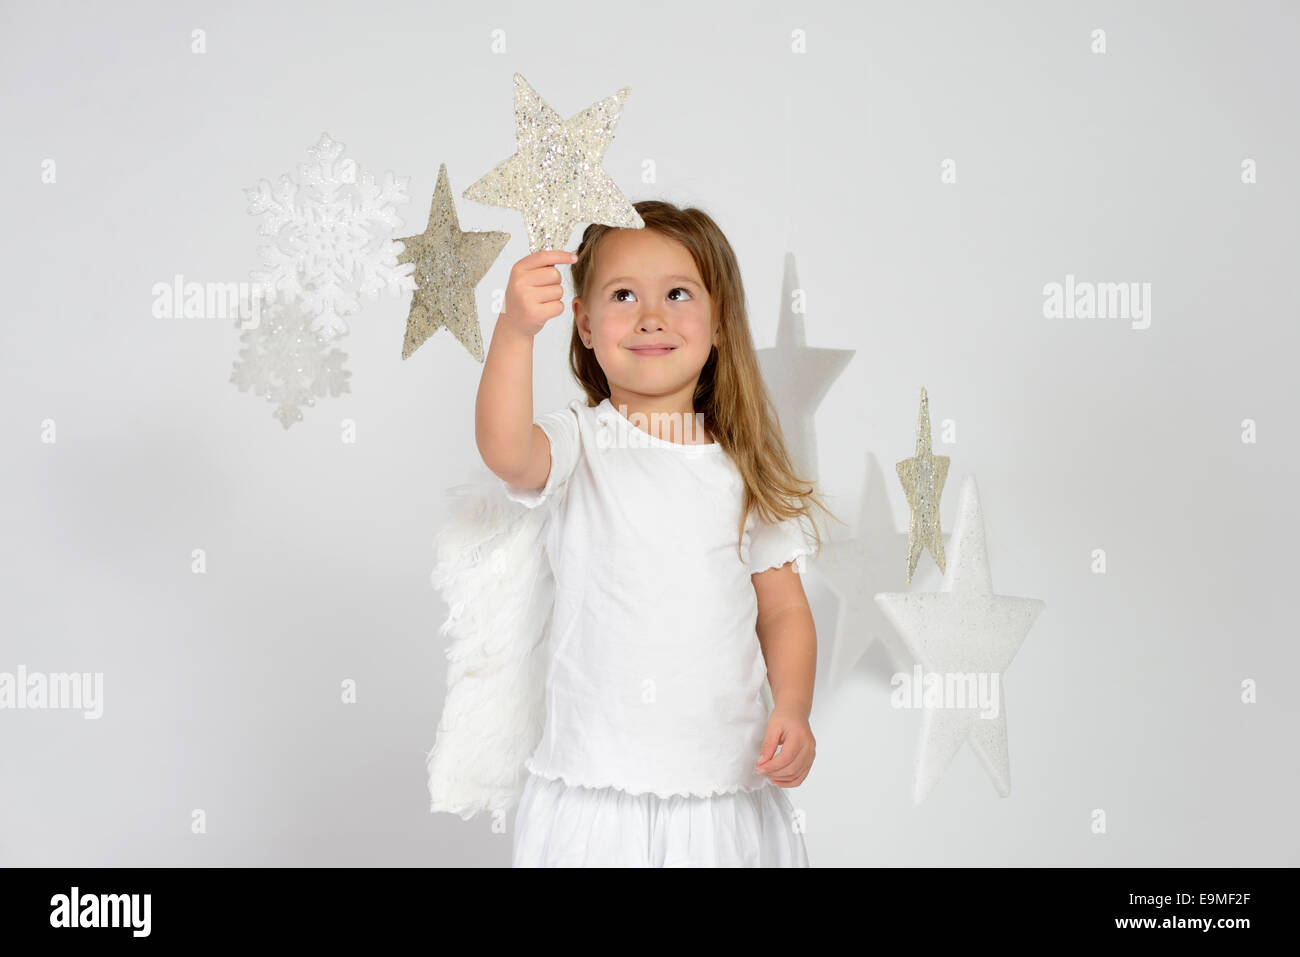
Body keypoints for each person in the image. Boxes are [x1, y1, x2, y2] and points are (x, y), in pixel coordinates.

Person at [475, 200, 835, 867]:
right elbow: (505, 451)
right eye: (621, 295)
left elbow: (783, 608)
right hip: (597, 785)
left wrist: (793, 704)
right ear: (583, 323)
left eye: (677, 293)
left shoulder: (743, 469)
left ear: (720, 318)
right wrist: (514, 332)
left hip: (719, 788)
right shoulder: (579, 442)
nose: (650, 316)